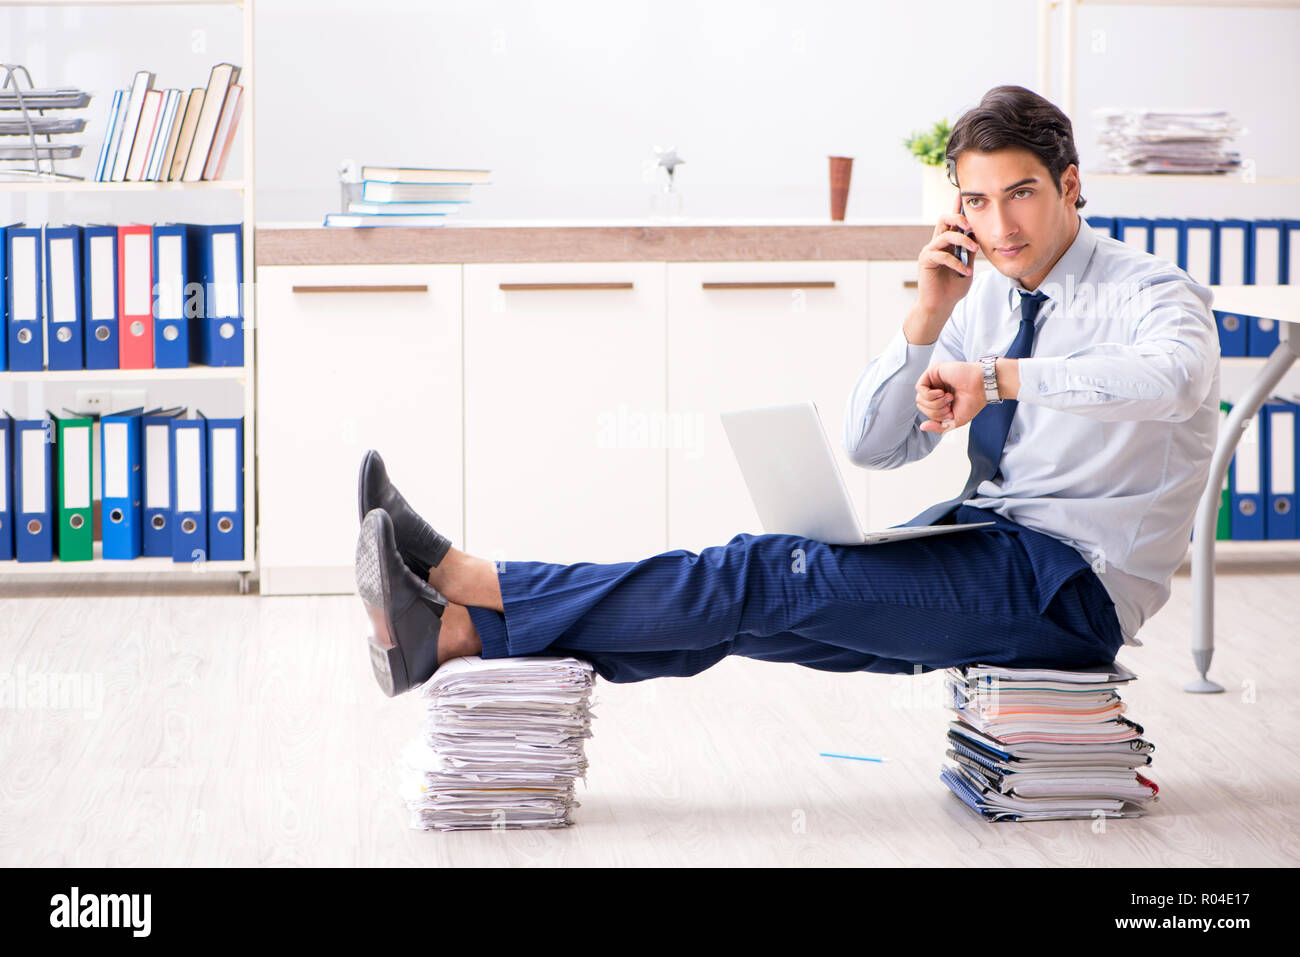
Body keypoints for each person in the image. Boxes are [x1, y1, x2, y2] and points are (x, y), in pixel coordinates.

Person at [354, 84, 1220, 698]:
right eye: (978, 201)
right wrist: (927, 316)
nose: (1000, 227)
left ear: (1071, 186)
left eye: (1022, 195)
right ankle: (459, 633)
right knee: (754, 607)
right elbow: (873, 444)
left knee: (759, 573)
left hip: (1072, 588)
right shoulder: (985, 294)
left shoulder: (1152, 291)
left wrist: (998, 376)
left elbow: (1175, 382)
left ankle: (476, 577)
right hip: (993, 547)